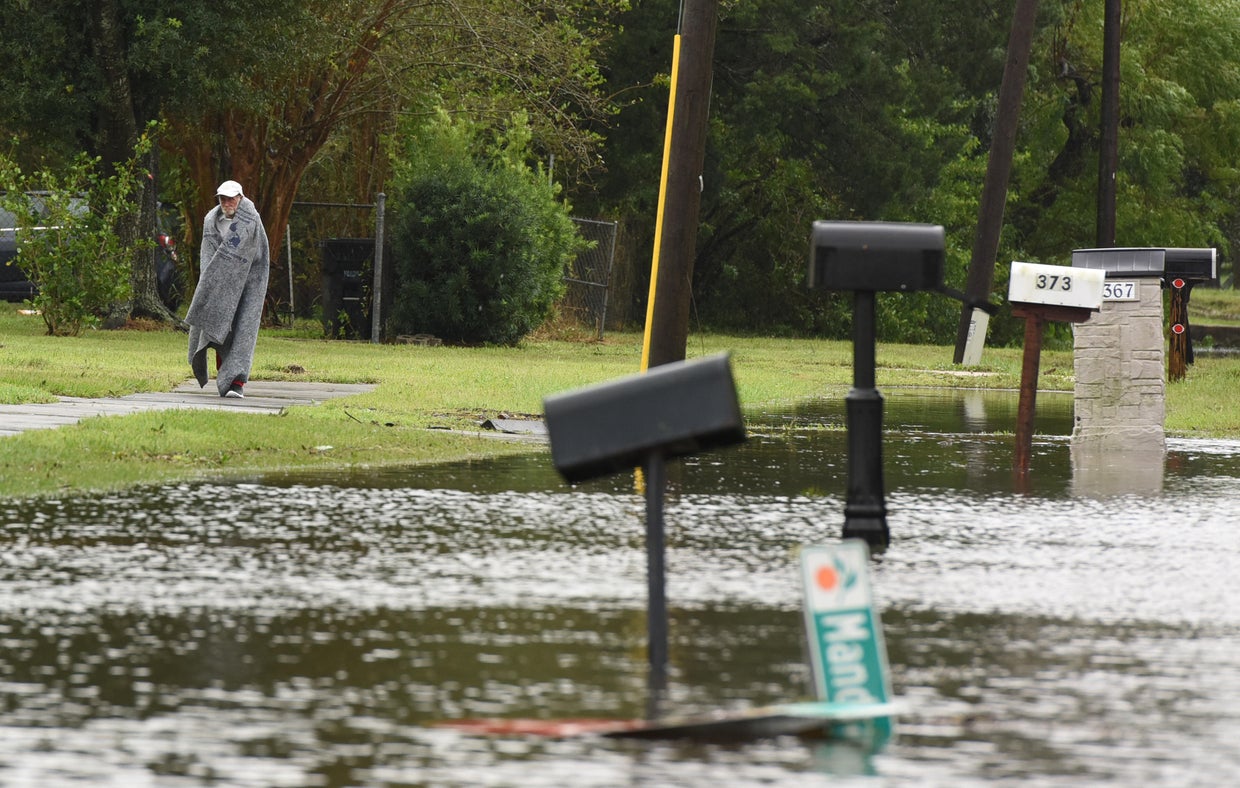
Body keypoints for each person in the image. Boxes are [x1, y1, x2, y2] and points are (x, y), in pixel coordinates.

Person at [186, 180, 270, 398]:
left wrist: (240, 276)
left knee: (242, 331)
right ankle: (225, 377)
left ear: (240, 198)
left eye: (231, 198)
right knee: (219, 330)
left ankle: (236, 382)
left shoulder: (252, 220)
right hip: (218, 286)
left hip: (247, 287)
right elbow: (208, 257)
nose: (227, 202)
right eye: (223, 198)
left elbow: (260, 255)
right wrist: (210, 284)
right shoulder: (211, 221)